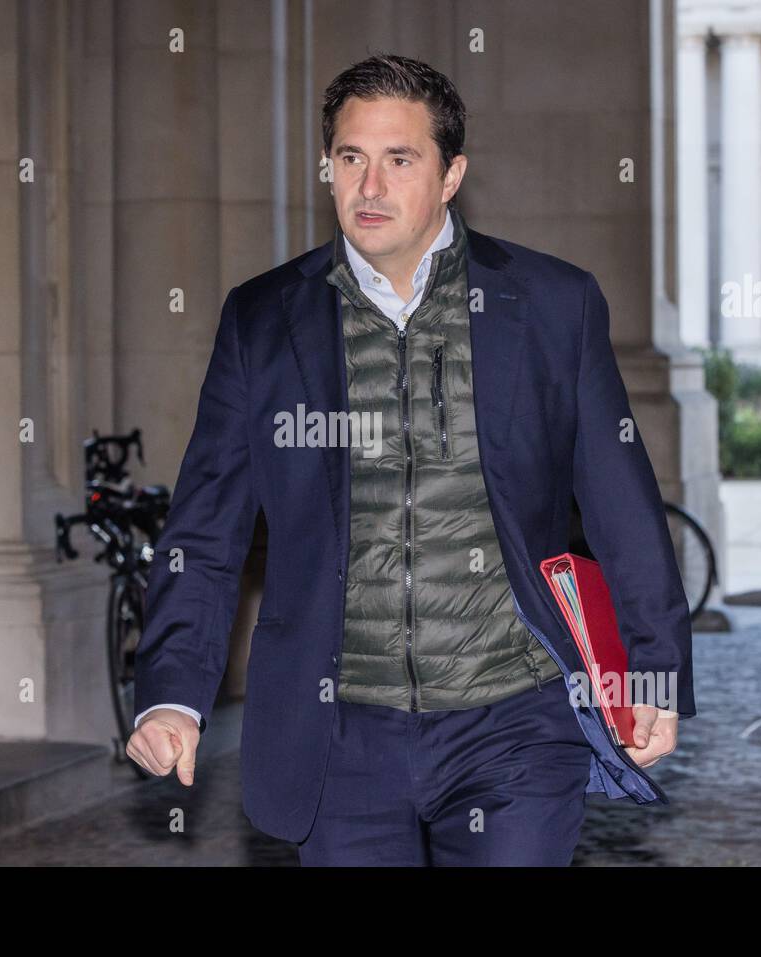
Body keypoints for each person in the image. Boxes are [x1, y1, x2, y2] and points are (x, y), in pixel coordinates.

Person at [126, 53, 695, 866]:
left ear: (451, 174)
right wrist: (173, 693)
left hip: (515, 718)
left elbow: (622, 503)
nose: (370, 186)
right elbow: (205, 525)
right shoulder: (263, 319)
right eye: (350, 157)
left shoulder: (550, 303)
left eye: (400, 159)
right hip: (337, 730)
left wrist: (655, 671)